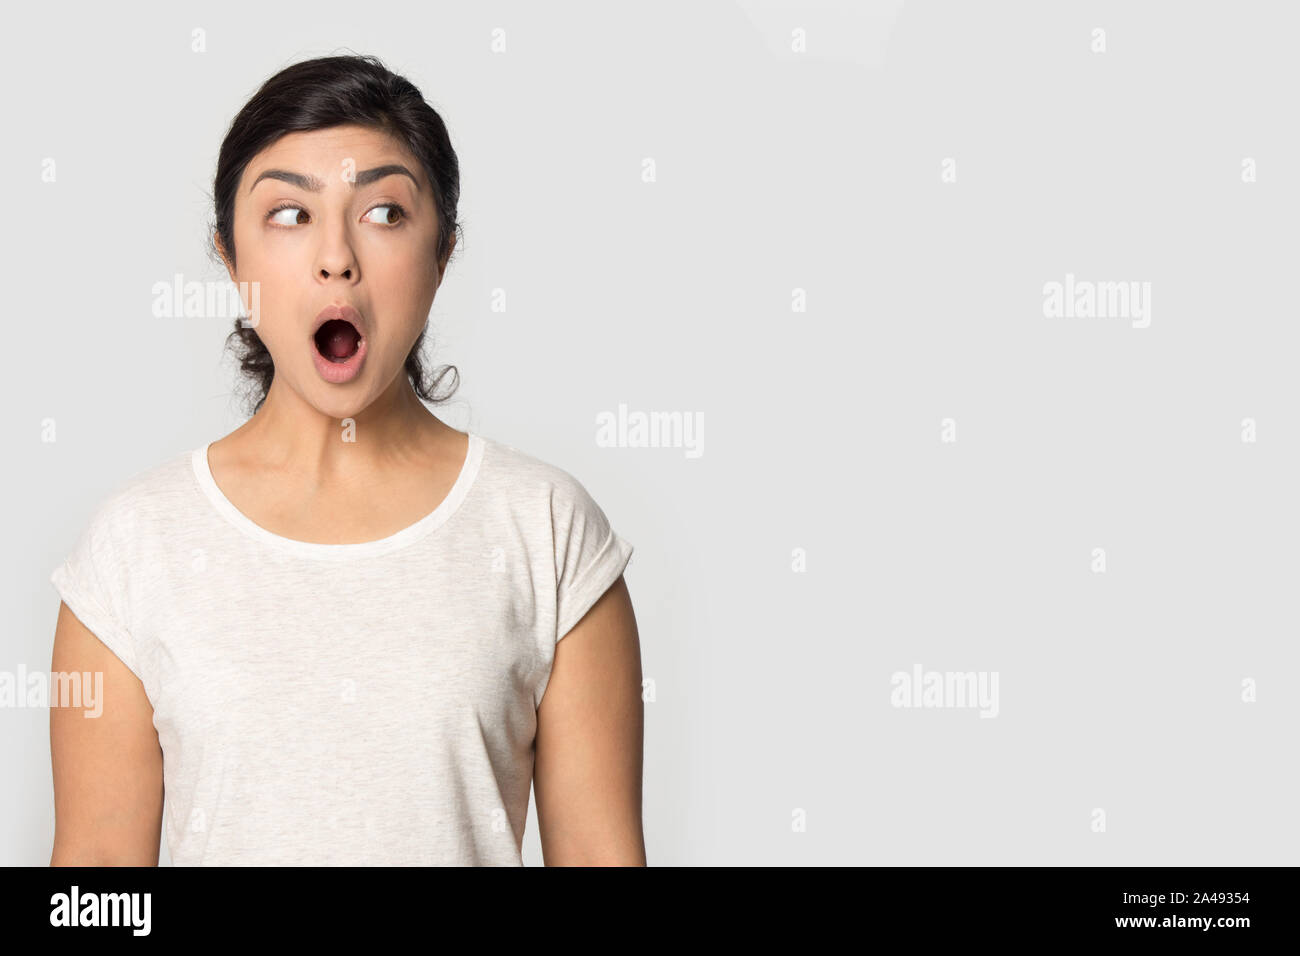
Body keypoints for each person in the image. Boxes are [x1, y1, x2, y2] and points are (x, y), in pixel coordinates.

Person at [47, 53, 645, 866]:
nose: (337, 258)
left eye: (385, 213)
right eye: (289, 215)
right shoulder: (132, 548)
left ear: (443, 254)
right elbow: (95, 896)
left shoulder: (548, 530)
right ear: (230, 258)